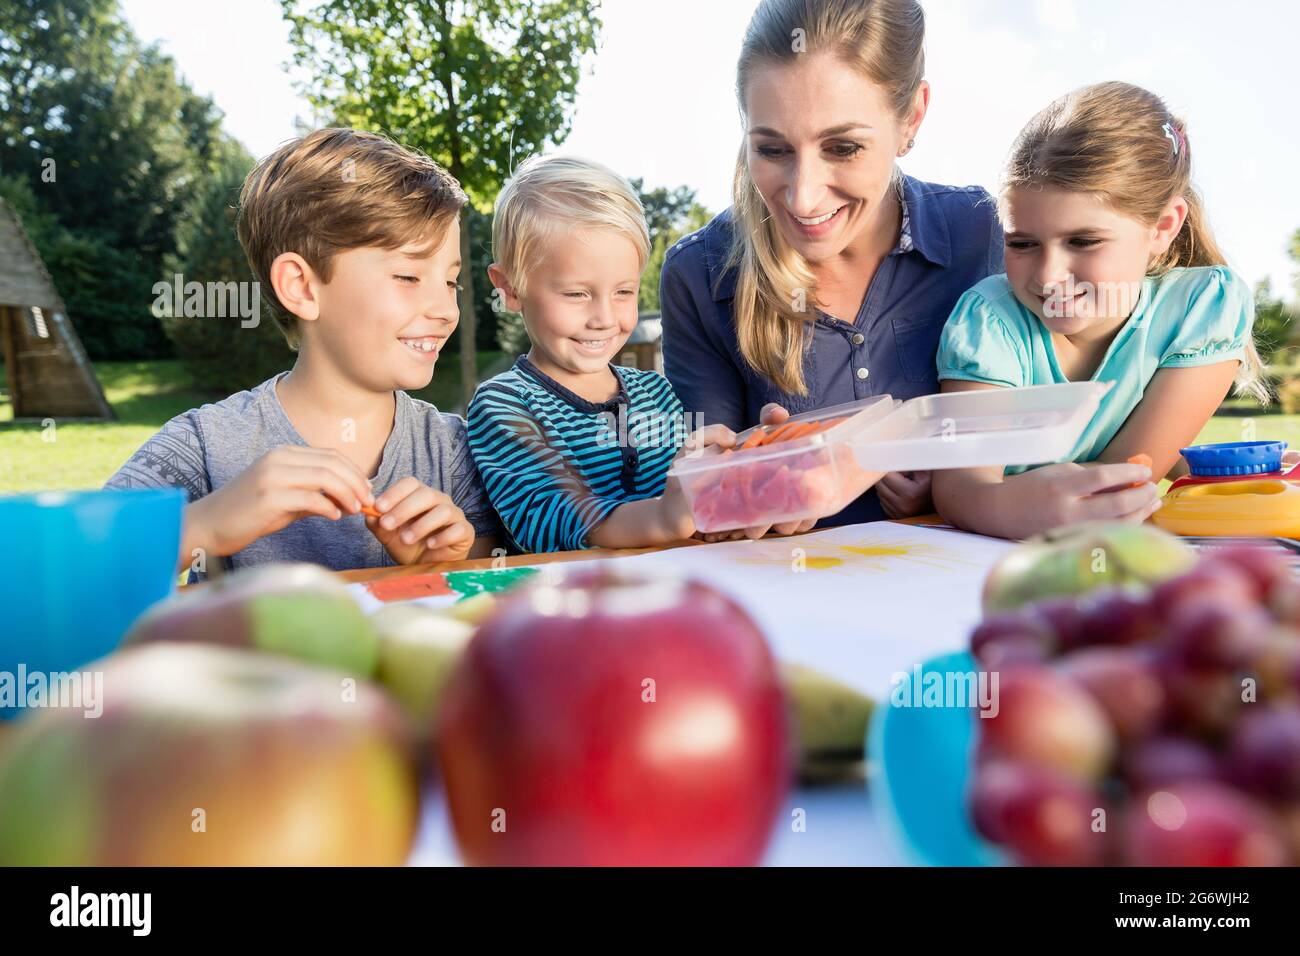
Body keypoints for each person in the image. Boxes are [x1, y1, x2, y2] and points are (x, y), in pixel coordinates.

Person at [659, 0, 1004, 532]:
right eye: (772, 150)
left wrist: (956, 487)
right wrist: (727, 487)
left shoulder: (979, 234)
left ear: (911, 117)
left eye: (843, 147)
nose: (802, 197)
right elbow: (710, 474)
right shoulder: (698, 275)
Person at [106, 128, 501, 578]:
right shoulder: (205, 445)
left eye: (450, 282)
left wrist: (444, 565)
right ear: (301, 287)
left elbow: (497, 580)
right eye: (409, 277)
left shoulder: (456, 450)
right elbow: (64, 565)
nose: (445, 309)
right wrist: (203, 526)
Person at [933, 82, 1264, 539]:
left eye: (1083, 241)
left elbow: (1128, 478)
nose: (1049, 276)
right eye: (1022, 243)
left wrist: (1005, 499)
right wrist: (990, 502)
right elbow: (962, 488)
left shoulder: (1202, 309)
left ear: (1163, 227)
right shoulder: (990, 322)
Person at [467, 155, 735, 553]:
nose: (604, 318)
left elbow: (695, 507)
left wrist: (740, 471)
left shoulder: (657, 394)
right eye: (576, 294)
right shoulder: (505, 405)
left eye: (623, 292)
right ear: (509, 288)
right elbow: (558, 516)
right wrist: (666, 516)